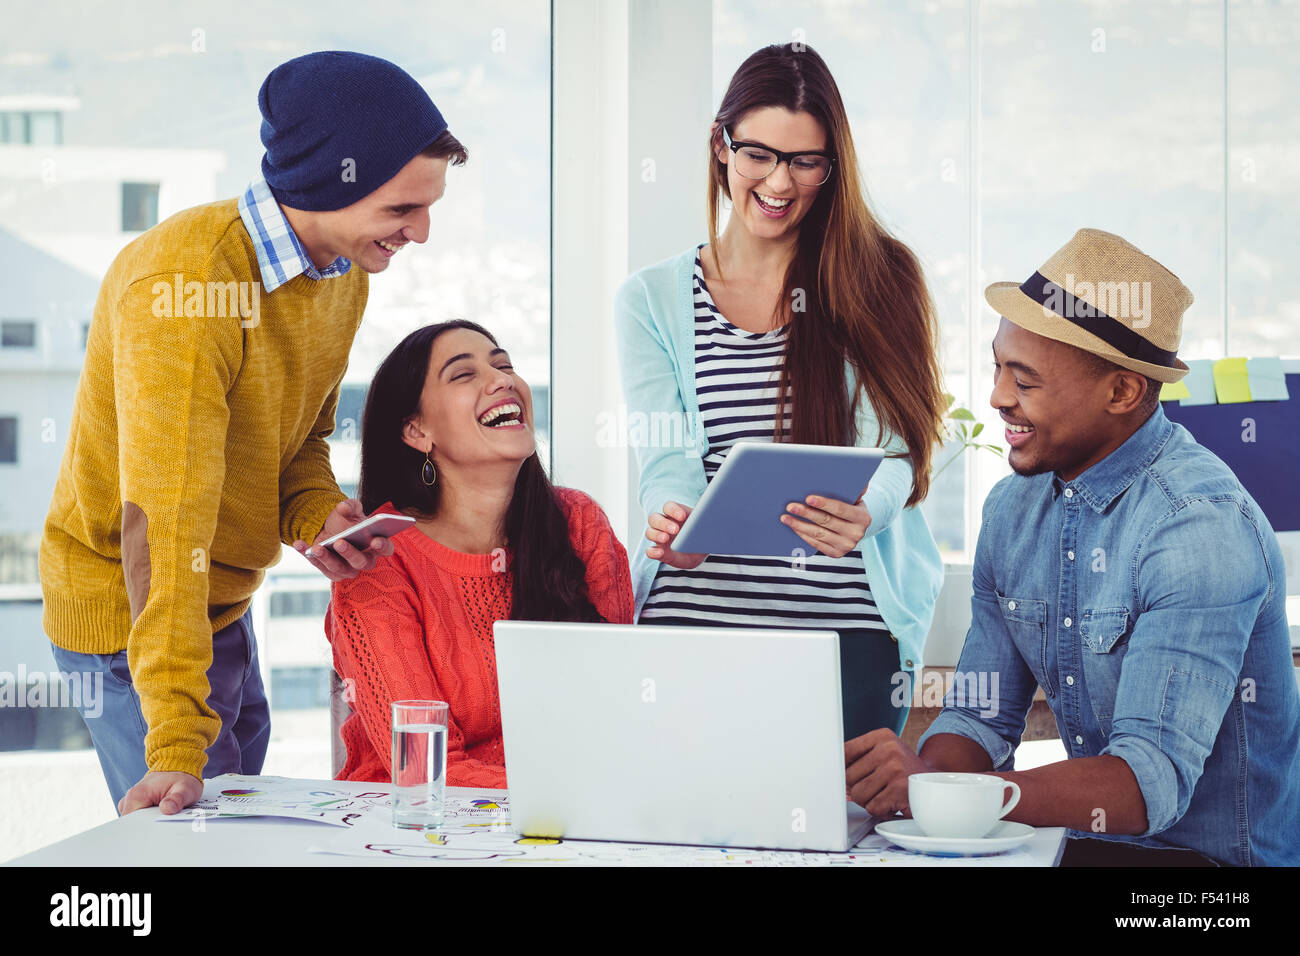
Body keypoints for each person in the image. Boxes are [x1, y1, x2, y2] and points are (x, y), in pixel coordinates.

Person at [40, 51, 466, 816]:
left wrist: (316, 515)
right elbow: (163, 529)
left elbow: (299, 440)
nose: (422, 232)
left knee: (246, 819)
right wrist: (173, 742)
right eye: (404, 210)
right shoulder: (188, 285)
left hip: (221, 601)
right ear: (334, 181)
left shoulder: (340, 274)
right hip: (132, 616)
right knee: (198, 831)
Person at [845, 228, 1300, 866]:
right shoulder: (1013, 508)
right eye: (997, 367)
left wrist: (956, 794)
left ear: (1122, 392)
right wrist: (923, 779)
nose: (999, 396)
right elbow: (979, 716)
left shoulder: (1200, 529)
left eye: (1024, 380)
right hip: (1087, 850)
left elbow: (1148, 783)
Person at [614, 43, 946, 740]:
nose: (779, 182)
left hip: (844, 639)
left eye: (805, 161)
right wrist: (674, 521)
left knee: (837, 843)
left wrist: (868, 514)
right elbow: (666, 462)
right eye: (758, 154)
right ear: (721, 145)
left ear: (832, 166)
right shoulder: (650, 299)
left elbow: (898, 451)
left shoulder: (881, 279)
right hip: (693, 630)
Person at [325, 321, 634, 788]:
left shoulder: (579, 522)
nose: (503, 380)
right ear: (416, 430)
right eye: (463, 375)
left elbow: (617, 710)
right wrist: (571, 796)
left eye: (504, 364)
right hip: (418, 830)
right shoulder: (380, 558)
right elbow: (423, 770)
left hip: (562, 817)